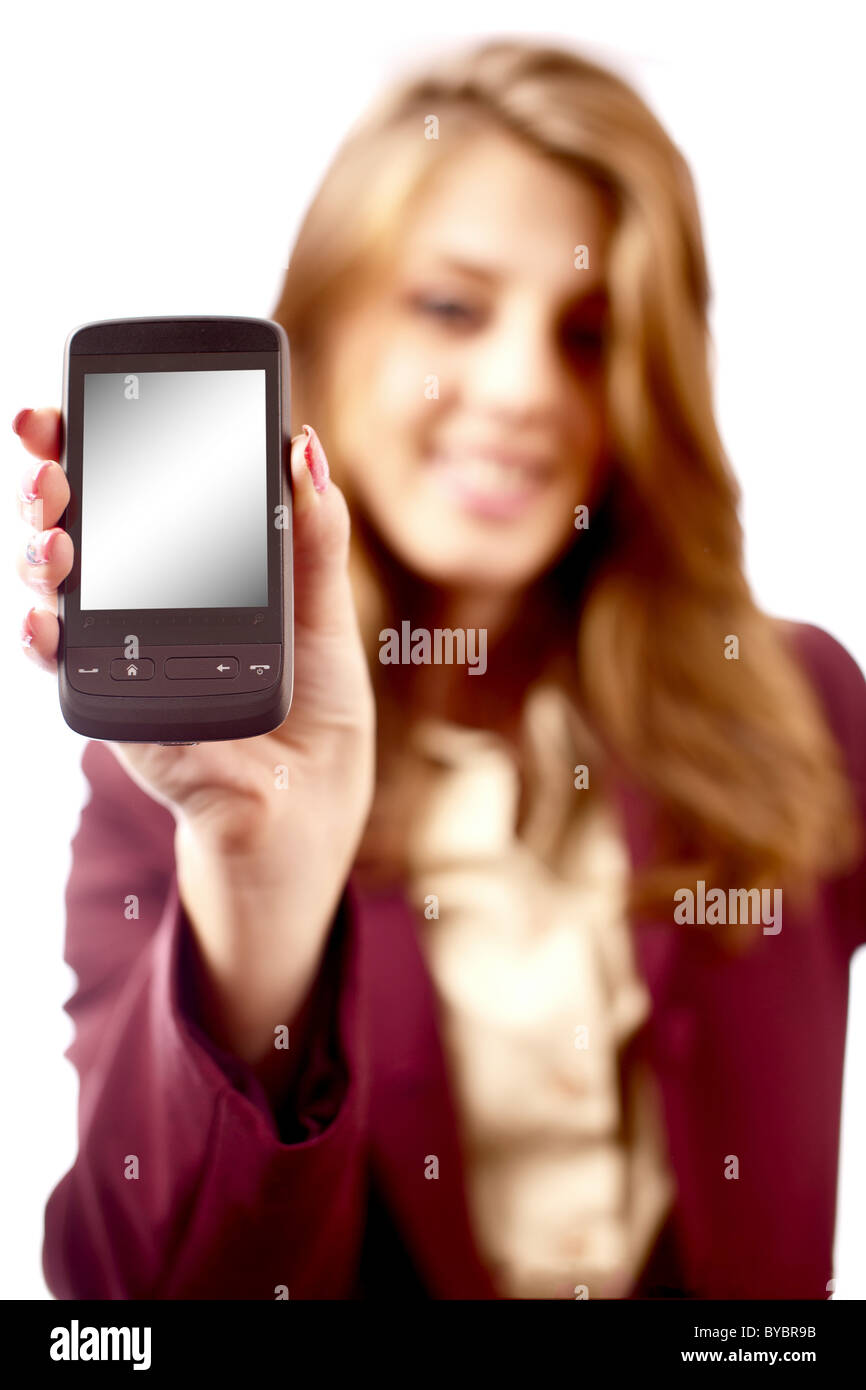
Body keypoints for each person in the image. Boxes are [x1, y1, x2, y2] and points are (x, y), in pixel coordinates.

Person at [15, 38, 865, 1300]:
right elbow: (136, 1298)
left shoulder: (795, 703)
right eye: (451, 307)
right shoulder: (189, 765)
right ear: (324, 321)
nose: (522, 391)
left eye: (587, 334)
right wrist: (258, 903)